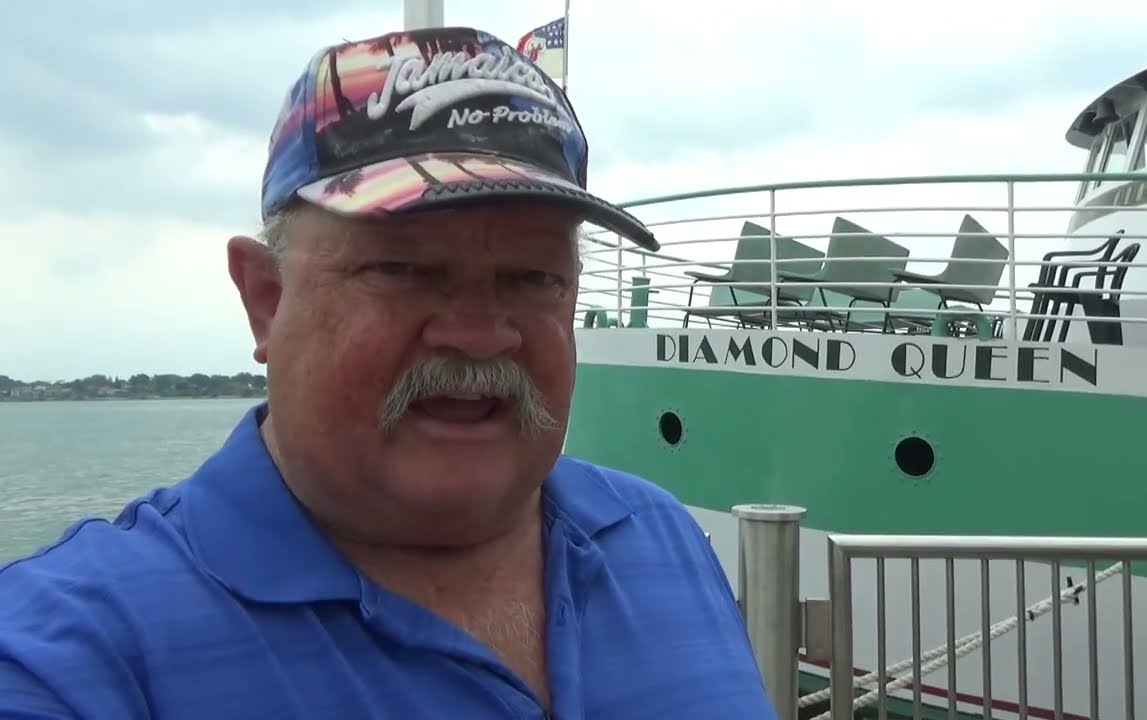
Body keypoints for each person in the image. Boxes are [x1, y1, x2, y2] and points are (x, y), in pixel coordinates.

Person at [0, 26, 775, 719]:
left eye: (532, 279)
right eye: (404, 269)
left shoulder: (659, 537)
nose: (479, 337)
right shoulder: (73, 653)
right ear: (266, 300)